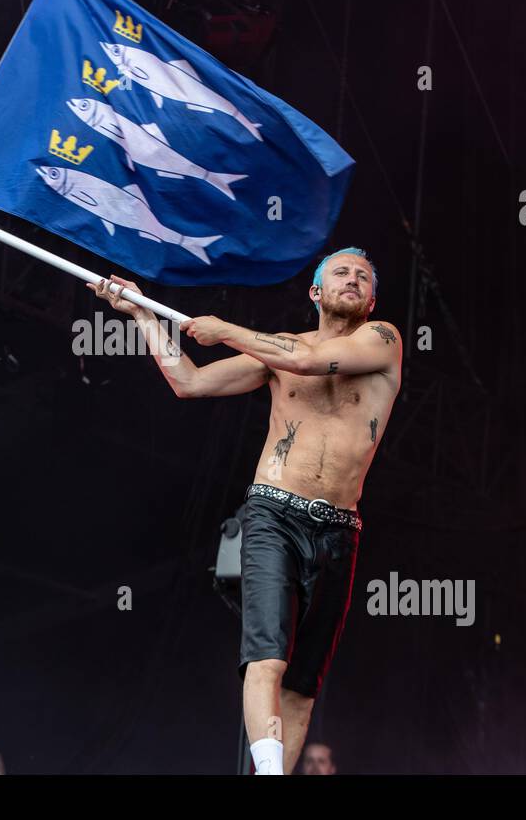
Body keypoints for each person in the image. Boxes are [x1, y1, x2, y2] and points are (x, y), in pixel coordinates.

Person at [92, 247, 401, 775]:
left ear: (372, 298)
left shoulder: (383, 340)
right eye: (341, 273)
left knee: (303, 686)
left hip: (340, 530)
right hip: (273, 514)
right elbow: (187, 381)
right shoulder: (277, 352)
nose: (352, 280)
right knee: (267, 659)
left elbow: (303, 360)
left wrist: (224, 329)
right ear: (316, 292)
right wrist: (144, 314)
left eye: (363, 277)